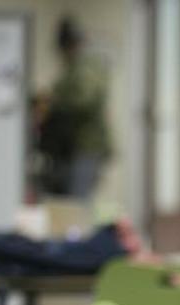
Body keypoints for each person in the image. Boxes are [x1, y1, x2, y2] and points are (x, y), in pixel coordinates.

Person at [38, 16, 111, 199]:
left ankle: (79, 229)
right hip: (75, 145)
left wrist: (56, 102)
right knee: (72, 199)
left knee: (78, 201)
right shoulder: (77, 66)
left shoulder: (85, 66)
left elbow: (85, 99)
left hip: (86, 143)